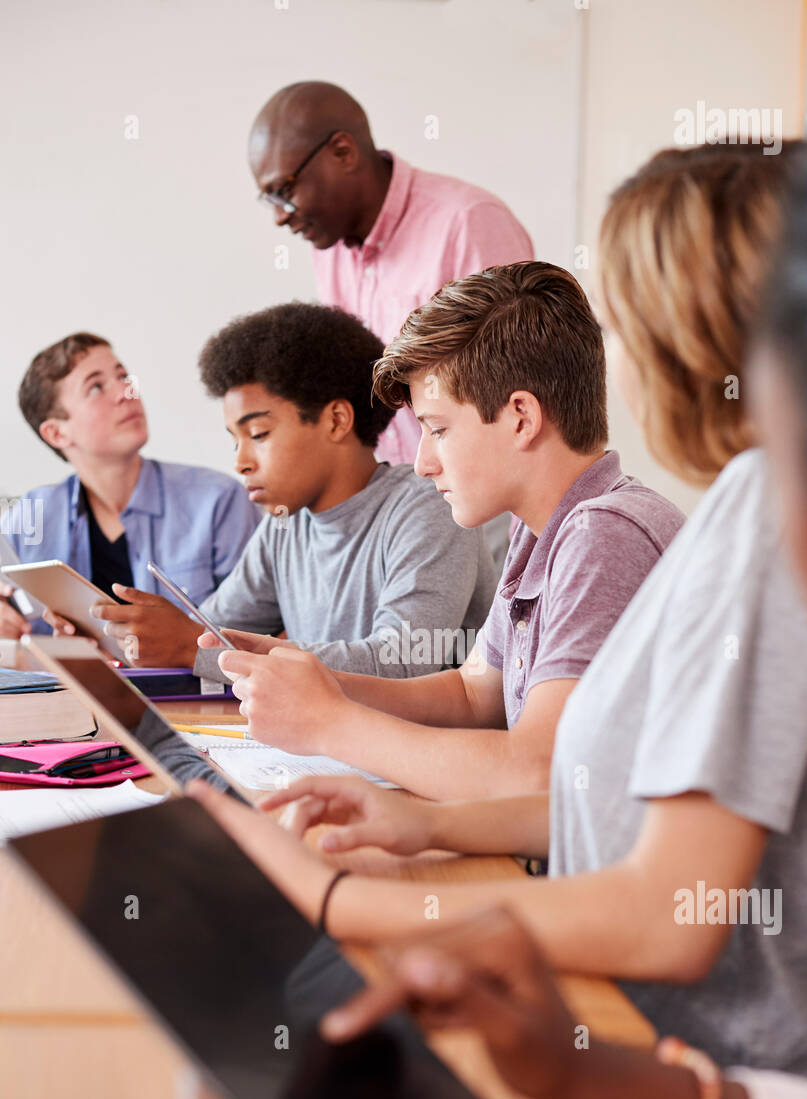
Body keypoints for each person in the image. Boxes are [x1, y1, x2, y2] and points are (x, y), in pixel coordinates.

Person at [201, 142, 807, 1086]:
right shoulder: (734, 512)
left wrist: (337, 897)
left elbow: (660, 904)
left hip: (730, 1058)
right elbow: (593, 790)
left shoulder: (754, 521)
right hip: (687, 1036)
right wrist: (422, 824)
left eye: (627, 333)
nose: (614, 367)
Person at [209, 263, 684, 798]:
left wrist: (328, 723)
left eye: (437, 429)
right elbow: (473, 692)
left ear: (520, 418)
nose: (421, 462)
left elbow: (536, 771)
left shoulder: (603, 533)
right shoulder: (543, 532)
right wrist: (316, 684)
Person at [91, 304, 495, 674]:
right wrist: (109, 632)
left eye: (259, 433)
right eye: (236, 440)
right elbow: (205, 630)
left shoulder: (427, 506)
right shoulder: (284, 526)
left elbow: (401, 661)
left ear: (337, 420)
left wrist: (190, 648)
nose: (241, 462)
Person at [249, 81, 534, 565]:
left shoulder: (466, 222)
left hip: (481, 510)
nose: (281, 218)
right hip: (398, 513)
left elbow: (517, 388)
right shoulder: (332, 250)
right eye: (269, 200)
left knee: (474, 643)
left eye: (284, 191)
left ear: (342, 151)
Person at [0, 333, 259, 642]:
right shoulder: (29, 518)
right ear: (56, 433)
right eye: (96, 387)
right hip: (65, 692)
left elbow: (258, 635)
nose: (126, 391)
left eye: (123, 376)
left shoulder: (219, 501)